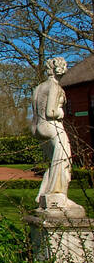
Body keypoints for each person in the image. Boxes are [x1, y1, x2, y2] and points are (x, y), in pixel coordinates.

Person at [30, 56, 85, 216]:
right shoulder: (54, 87)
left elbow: (36, 114)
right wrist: (62, 112)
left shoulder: (39, 88)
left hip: (39, 128)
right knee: (63, 160)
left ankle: (42, 195)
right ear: (59, 69)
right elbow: (51, 112)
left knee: (53, 162)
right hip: (52, 126)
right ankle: (57, 197)